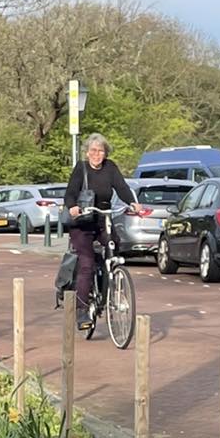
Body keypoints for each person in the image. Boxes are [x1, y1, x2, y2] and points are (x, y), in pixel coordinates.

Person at [63, 133, 138, 329]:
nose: (97, 154)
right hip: (82, 221)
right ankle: (82, 310)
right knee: (86, 262)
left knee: (114, 245)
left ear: (106, 153)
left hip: (103, 218)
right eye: (93, 151)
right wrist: (72, 206)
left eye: (101, 151)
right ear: (87, 152)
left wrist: (132, 202)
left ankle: (112, 285)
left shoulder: (110, 167)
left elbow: (122, 187)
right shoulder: (81, 168)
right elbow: (70, 192)